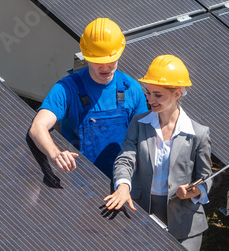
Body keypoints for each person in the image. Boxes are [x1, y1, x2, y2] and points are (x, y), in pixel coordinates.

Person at [104, 55, 212, 251]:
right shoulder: (139, 123)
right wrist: (123, 186)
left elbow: (206, 176)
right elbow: (126, 158)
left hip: (184, 223)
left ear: (177, 93)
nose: (150, 99)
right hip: (143, 215)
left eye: (158, 94)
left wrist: (196, 191)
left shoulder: (197, 133)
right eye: (148, 93)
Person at [28, 17, 147, 177]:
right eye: (98, 61)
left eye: (110, 61)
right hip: (81, 185)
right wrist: (56, 154)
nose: (105, 67)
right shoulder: (67, 88)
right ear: (86, 55)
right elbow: (38, 127)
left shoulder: (131, 88)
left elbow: (143, 137)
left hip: (123, 184)